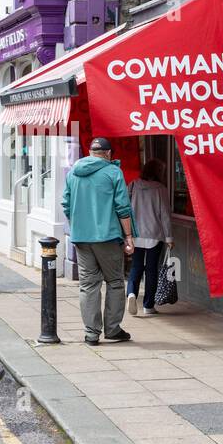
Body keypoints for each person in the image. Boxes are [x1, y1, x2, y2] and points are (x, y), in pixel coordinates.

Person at [62, 137, 135, 345]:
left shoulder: (74, 172)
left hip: (81, 238)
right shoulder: (113, 172)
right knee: (114, 282)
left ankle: (91, 333)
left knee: (88, 285)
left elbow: (65, 204)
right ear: (109, 153)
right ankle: (112, 329)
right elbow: (123, 208)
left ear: (91, 152)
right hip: (108, 237)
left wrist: (79, 223)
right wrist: (128, 237)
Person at [126, 158, 173, 318]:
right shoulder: (160, 189)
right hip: (154, 235)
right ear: (158, 172)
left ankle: (131, 293)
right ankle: (148, 305)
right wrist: (169, 237)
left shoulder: (133, 185)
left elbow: (124, 208)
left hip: (136, 234)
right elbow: (165, 215)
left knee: (136, 267)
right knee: (151, 270)